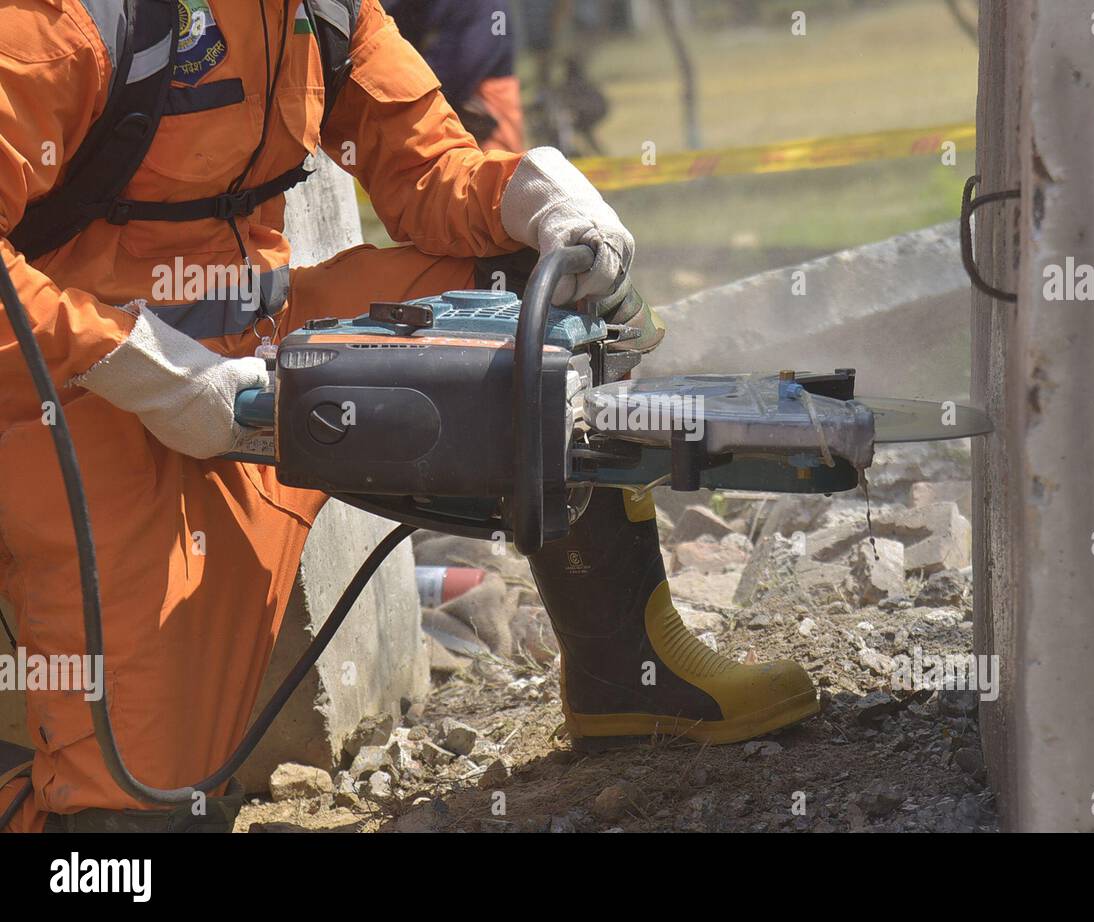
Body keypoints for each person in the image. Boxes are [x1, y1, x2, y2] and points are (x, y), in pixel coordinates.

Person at [0, 0, 816, 833]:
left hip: (249, 360)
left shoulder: (321, 12)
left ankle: (627, 677)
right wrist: (150, 372)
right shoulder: (69, 20)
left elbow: (426, 175)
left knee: (537, 296)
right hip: (61, 387)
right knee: (134, 815)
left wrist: (532, 197)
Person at [382, 0, 525, 153]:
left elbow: (460, 68)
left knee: (496, 171)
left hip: (481, 118)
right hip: (427, 113)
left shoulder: (483, 6)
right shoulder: (407, 7)